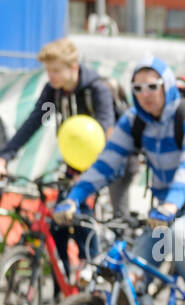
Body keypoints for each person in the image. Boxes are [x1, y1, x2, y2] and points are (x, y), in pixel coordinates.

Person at [55, 55, 185, 305]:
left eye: (152, 85)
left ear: (168, 84)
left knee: (179, 235)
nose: (144, 94)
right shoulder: (134, 121)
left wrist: (171, 205)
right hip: (162, 212)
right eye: (137, 88)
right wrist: (73, 197)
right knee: (124, 273)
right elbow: (105, 163)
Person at [0, 37, 135, 271]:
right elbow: (33, 123)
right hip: (77, 163)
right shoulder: (55, 92)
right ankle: (63, 290)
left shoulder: (97, 89)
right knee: (58, 225)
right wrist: (5, 156)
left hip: (115, 160)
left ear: (73, 68)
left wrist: (91, 174)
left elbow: (106, 132)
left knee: (111, 221)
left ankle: (113, 279)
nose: (50, 77)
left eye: (55, 71)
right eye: (48, 71)